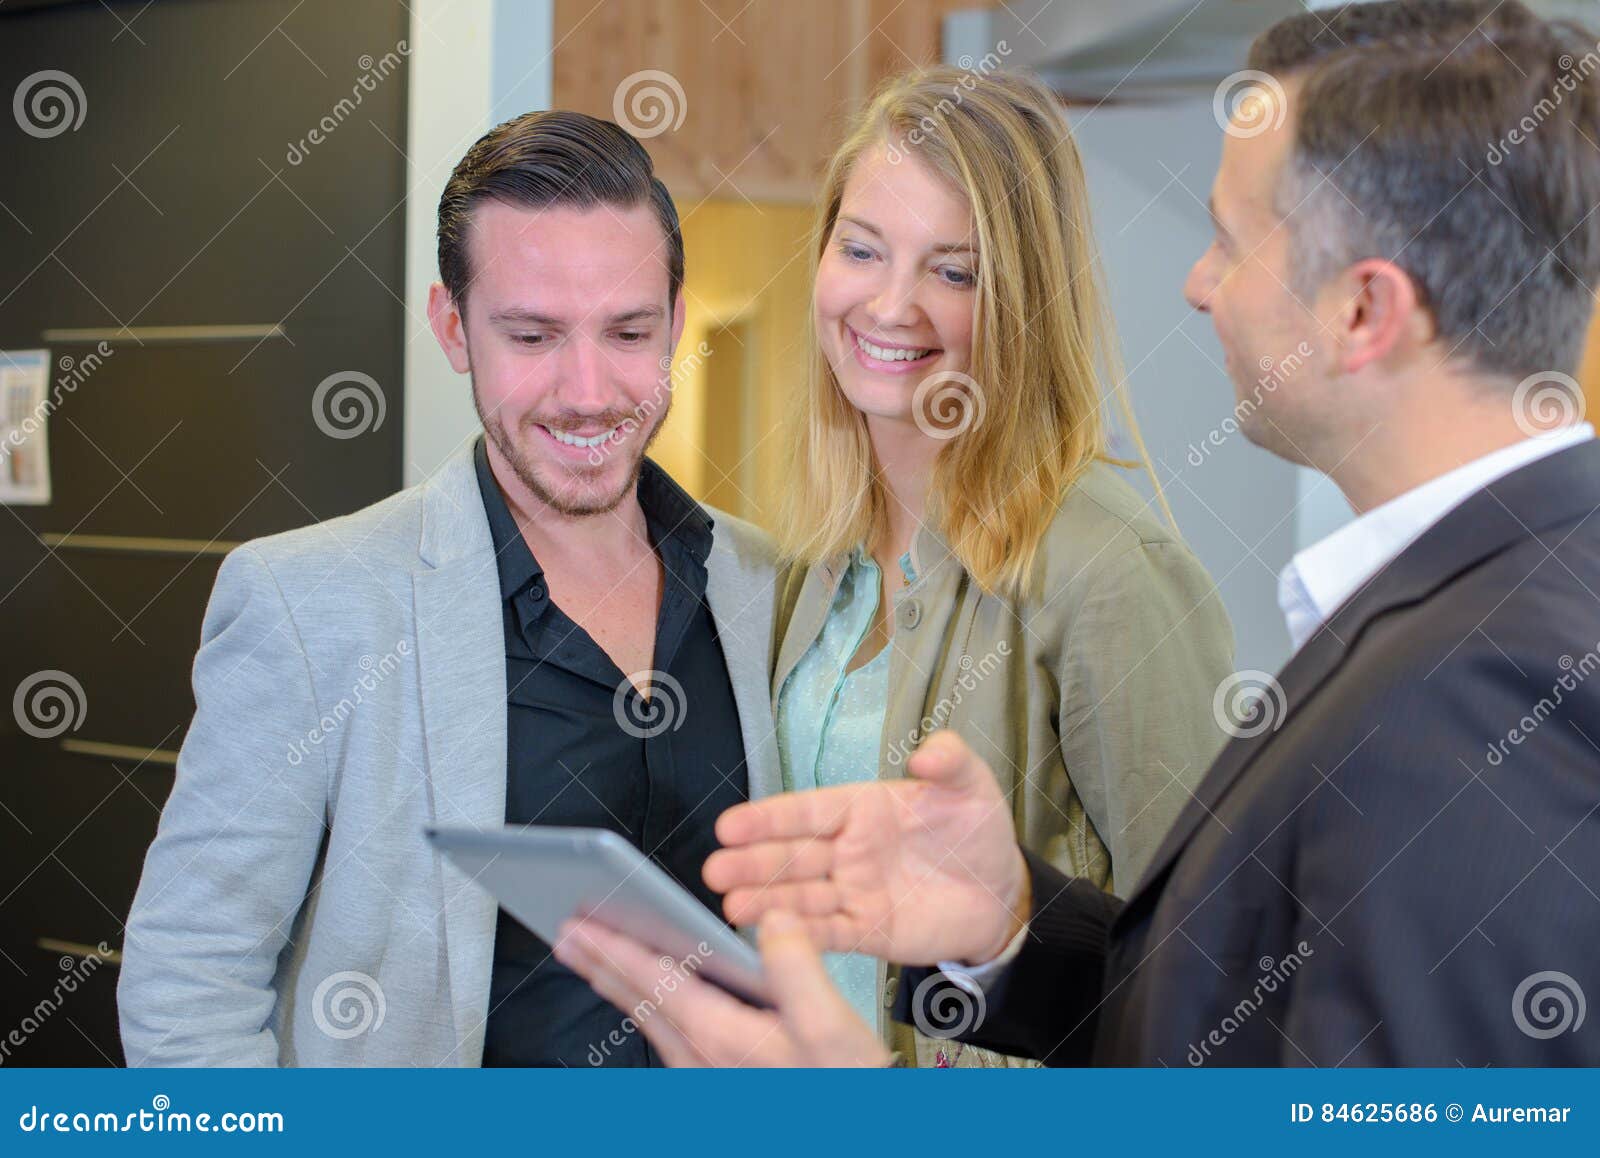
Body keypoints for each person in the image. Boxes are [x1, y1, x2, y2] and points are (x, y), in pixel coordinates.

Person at [555, 0, 1600, 1066]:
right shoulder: (1455, 613)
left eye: (1230, 245)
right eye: (864, 249)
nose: (1197, 285)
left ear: (1364, 311)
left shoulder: (1493, 683)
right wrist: (1010, 926)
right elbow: (1227, 1015)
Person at [118, 111, 782, 1066]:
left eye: (628, 331)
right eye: (533, 335)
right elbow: (190, 977)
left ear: (676, 325)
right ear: (453, 327)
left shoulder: (762, 584)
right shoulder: (309, 605)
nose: (589, 390)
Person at [765, 66, 1234, 1066]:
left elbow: (1214, 974)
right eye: (861, 250)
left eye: (954, 271)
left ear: (1022, 300)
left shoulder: (1109, 569)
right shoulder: (819, 563)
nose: (890, 306)